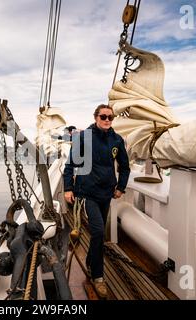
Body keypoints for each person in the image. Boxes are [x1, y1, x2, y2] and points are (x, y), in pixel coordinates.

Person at [63, 104, 130, 298]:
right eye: (103, 116)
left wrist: (121, 187)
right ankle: (98, 277)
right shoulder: (84, 138)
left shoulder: (117, 140)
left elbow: (124, 167)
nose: (107, 120)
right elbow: (70, 165)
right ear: (96, 117)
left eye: (110, 117)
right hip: (87, 193)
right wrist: (68, 188)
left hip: (106, 194)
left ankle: (92, 263)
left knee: (98, 235)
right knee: (99, 231)